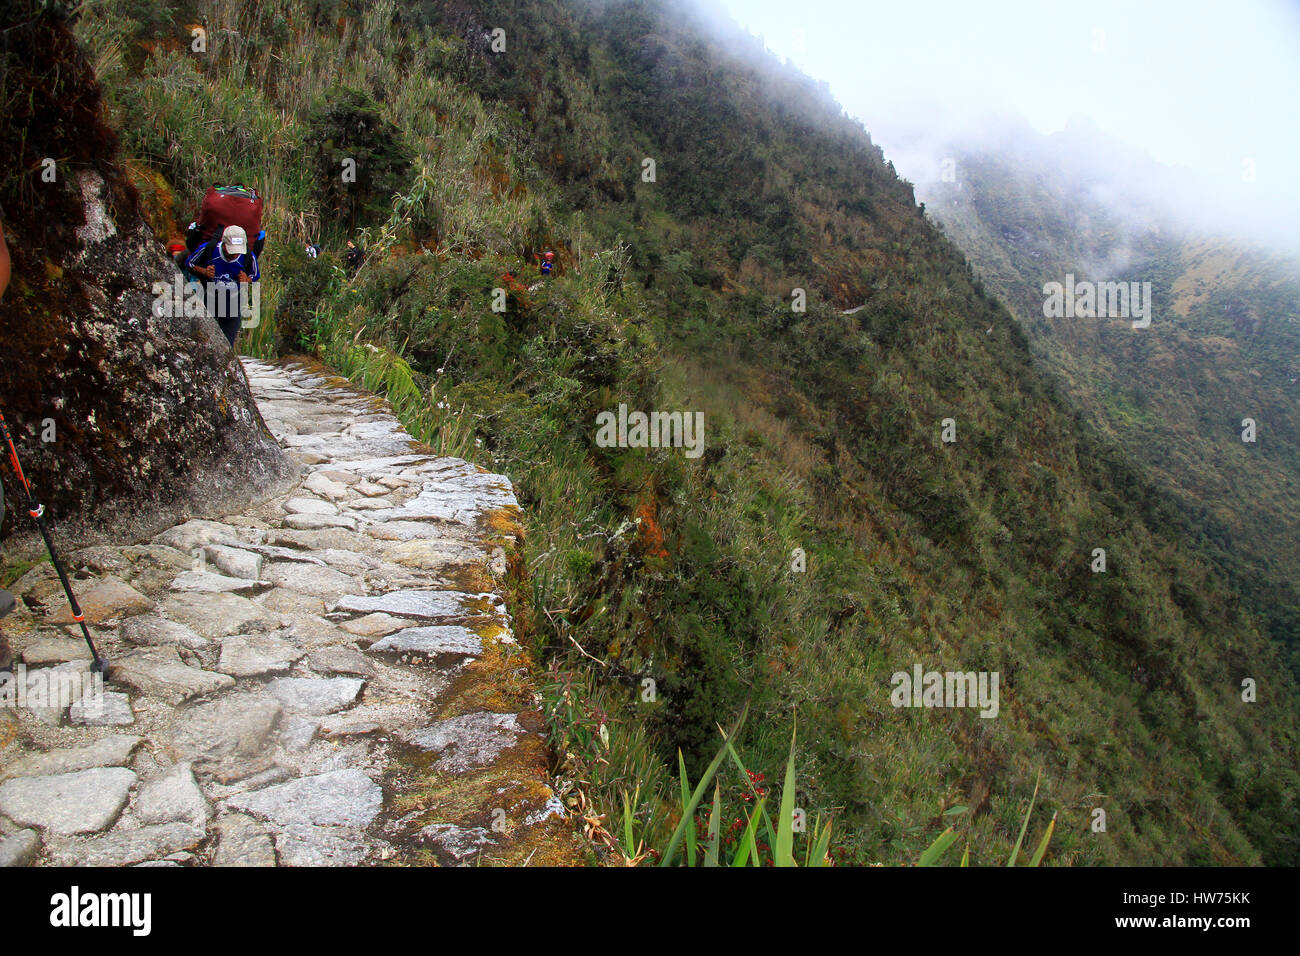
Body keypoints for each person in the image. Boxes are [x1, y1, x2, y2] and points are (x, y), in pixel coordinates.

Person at [186, 224, 259, 346]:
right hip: (210, 299)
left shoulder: (248, 256)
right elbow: (190, 264)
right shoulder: (209, 249)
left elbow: (255, 275)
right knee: (203, 342)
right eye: (232, 251)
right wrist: (204, 271)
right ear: (224, 245)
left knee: (227, 346)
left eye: (237, 252)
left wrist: (247, 280)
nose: (235, 255)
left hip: (233, 304)